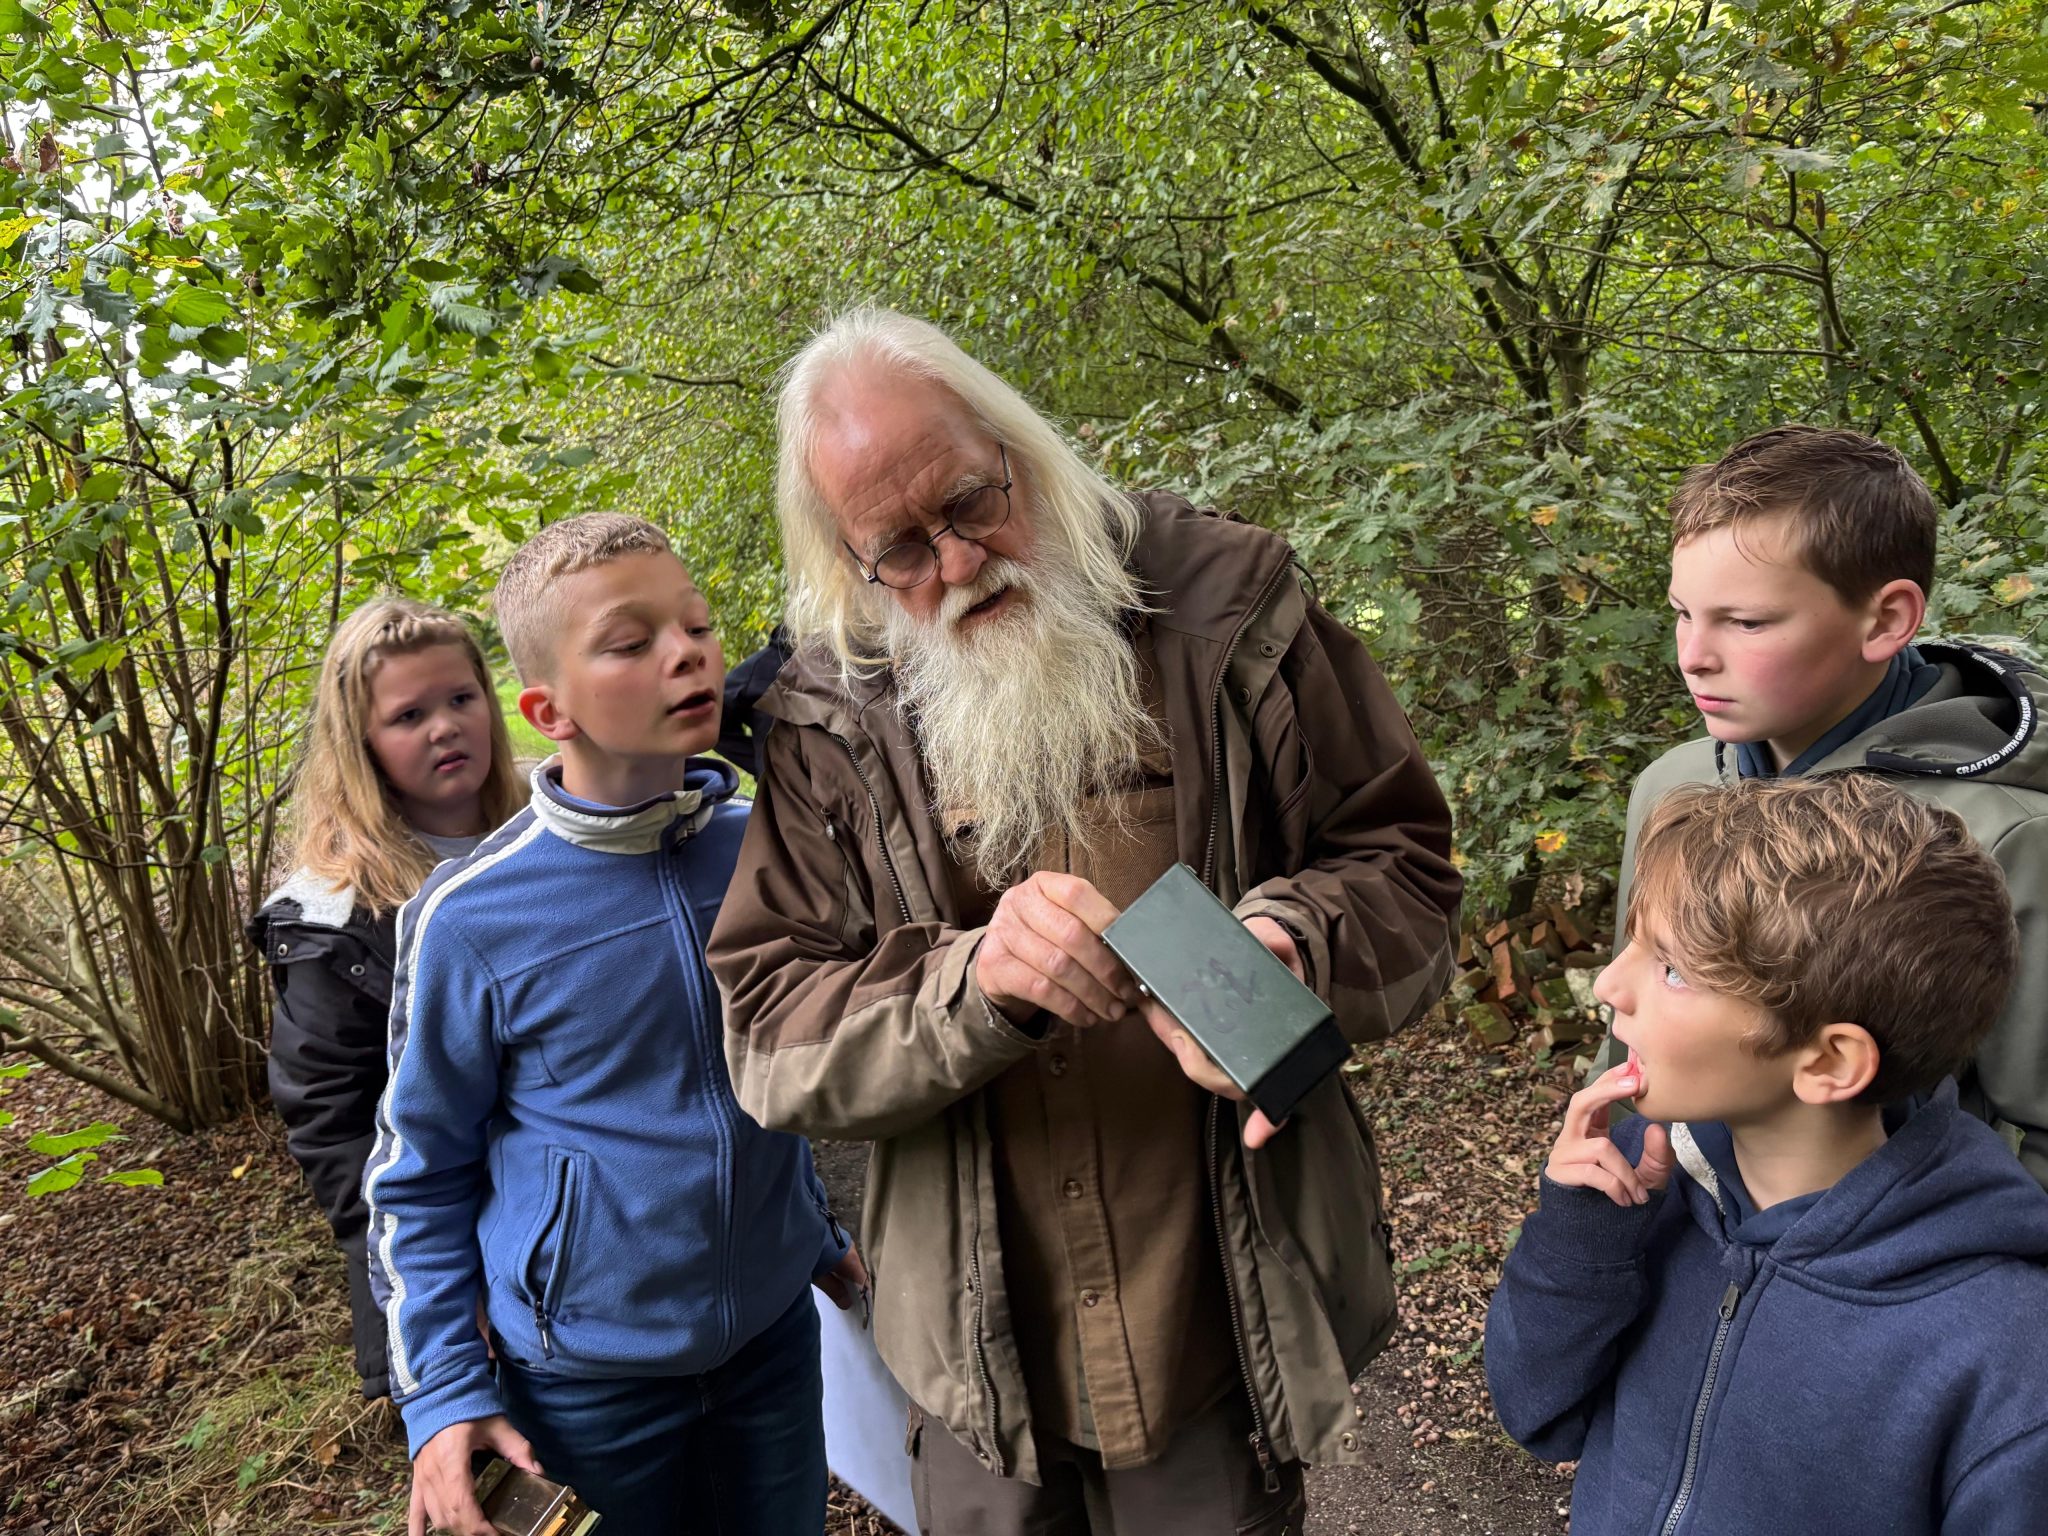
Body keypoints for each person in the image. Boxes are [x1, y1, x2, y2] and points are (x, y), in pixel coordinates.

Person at [707, 309, 1462, 1532]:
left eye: (968, 503)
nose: (955, 565)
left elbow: (1405, 866)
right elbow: (768, 1028)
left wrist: (1285, 952)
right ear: (846, 561)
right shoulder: (820, 712)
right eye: (897, 548)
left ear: (1020, 447)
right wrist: (968, 989)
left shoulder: (1231, 607)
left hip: (1214, 1320)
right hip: (971, 1361)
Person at [362, 515, 866, 1536]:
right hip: (587, 1378)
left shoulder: (761, 847)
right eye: (630, 643)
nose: (686, 653)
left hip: (771, 1340)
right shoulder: (471, 919)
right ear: (548, 708)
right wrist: (442, 1396)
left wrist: (810, 1238)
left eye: (694, 624)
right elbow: (416, 1174)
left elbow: (767, 1069)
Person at [1486, 776, 2048, 1532]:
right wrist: (1581, 1236)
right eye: (1635, 942)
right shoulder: (1646, 1180)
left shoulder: (2004, 1358)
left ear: (1827, 1064)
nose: (1611, 987)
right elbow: (1535, 1411)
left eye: (1673, 968)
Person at [1595, 426, 2048, 1186]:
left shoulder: (2006, 835)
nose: (1693, 654)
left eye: (1745, 622)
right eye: (1681, 612)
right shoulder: (1672, 787)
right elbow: (1628, 1030)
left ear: (1886, 619)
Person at [249, 597, 524, 1403]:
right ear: (361, 742)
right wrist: (438, 1299)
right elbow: (336, 1128)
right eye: (409, 715)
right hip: (460, 1266)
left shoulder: (553, 828)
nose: (445, 727)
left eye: (460, 699)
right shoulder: (337, 916)